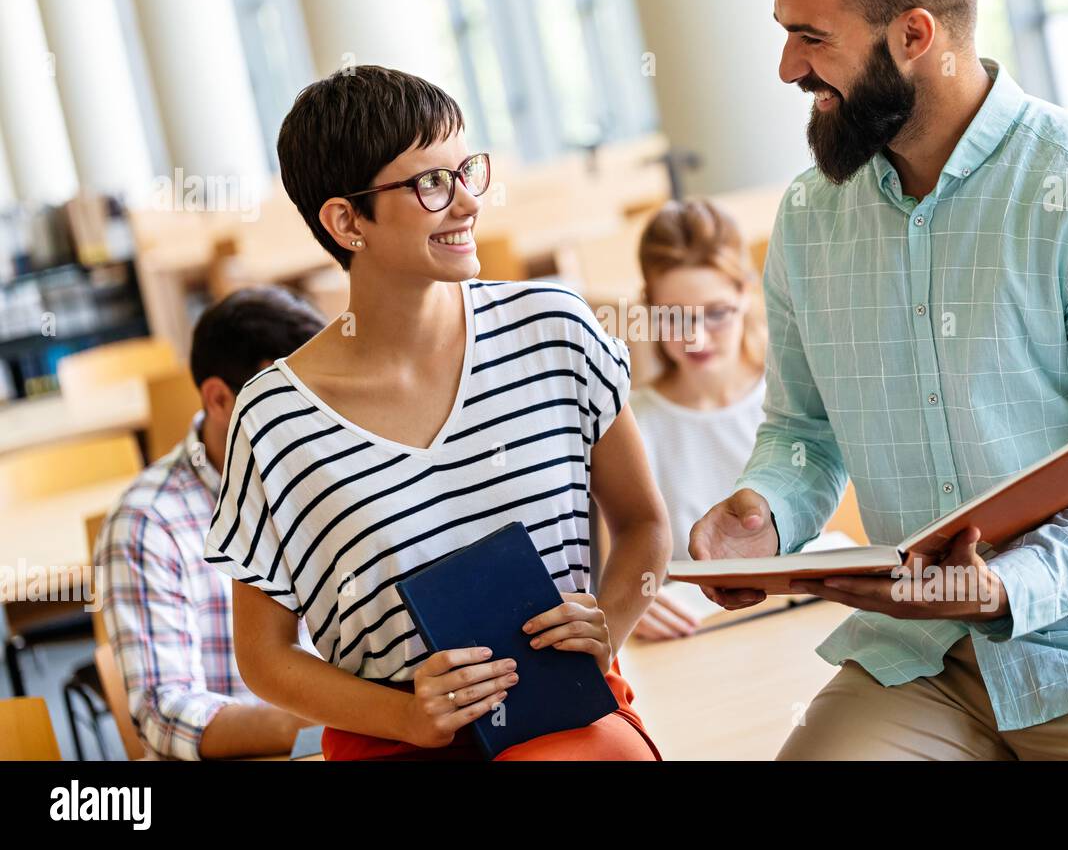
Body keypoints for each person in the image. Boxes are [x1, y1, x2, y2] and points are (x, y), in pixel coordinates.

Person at [690, 0, 1068, 760]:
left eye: (813, 37)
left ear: (914, 35)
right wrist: (765, 513)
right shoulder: (809, 218)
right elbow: (803, 431)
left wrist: (1003, 589)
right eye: (784, 31)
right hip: (923, 659)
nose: (788, 67)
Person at [204, 65, 671, 760]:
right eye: (430, 184)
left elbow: (644, 525)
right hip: (397, 744)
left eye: (466, 171)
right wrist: (407, 718)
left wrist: (608, 625)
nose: (467, 204)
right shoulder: (275, 421)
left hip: (565, 721)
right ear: (346, 221)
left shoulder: (555, 331)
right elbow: (264, 656)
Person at [97, 285, 325, 759]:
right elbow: (165, 713)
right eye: (287, 401)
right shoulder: (148, 523)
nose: (313, 419)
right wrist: (336, 716)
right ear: (220, 399)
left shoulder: (326, 476)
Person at [629, 200, 767, 640]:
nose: (697, 337)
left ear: (745, 293)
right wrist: (634, 597)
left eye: (716, 313)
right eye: (676, 318)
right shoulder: (632, 422)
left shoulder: (790, 399)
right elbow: (623, 569)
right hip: (692, 637)